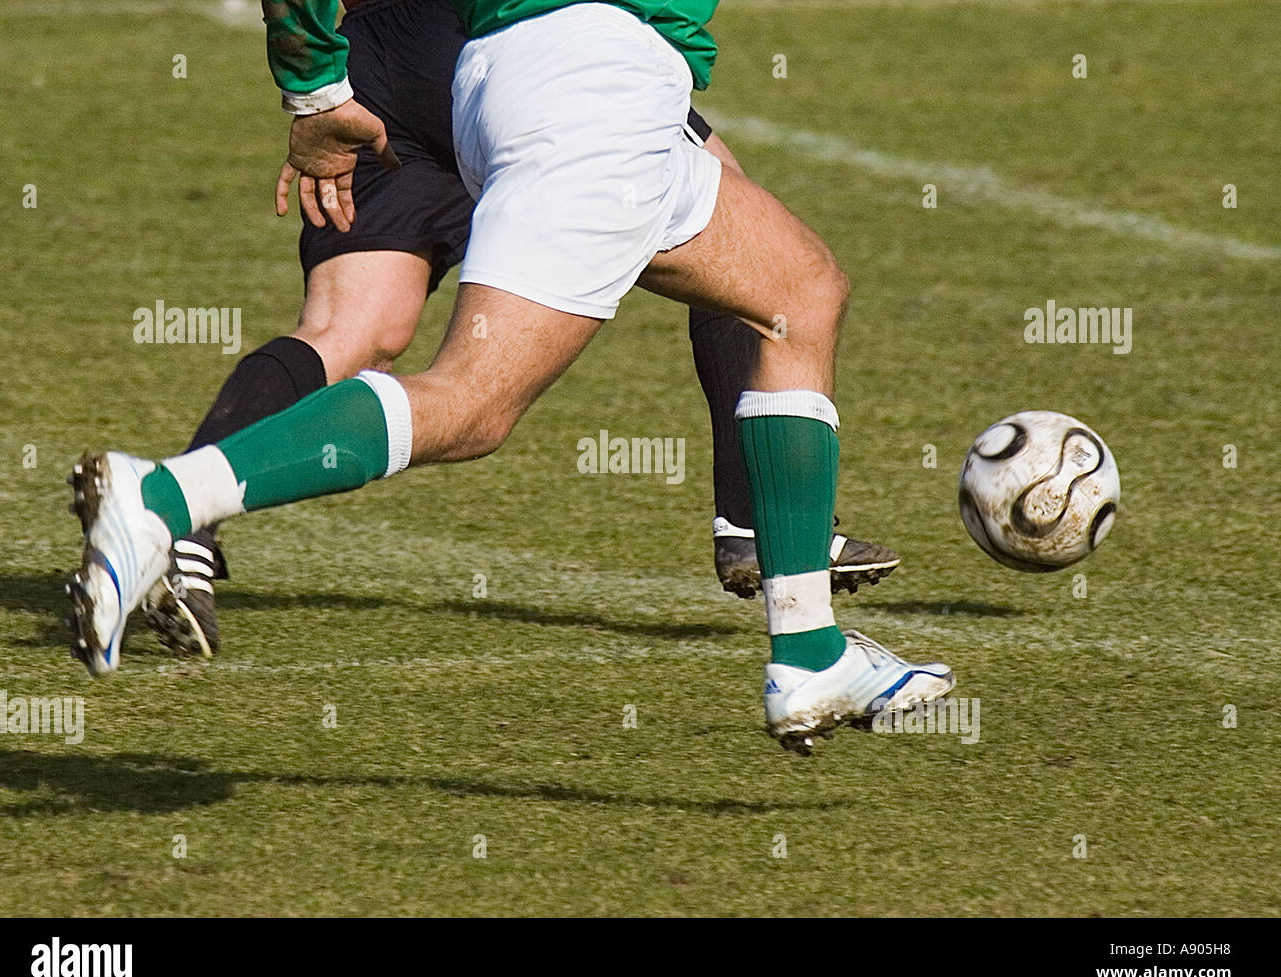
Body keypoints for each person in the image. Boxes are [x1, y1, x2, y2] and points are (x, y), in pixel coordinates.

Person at [68, 0, 953, 753]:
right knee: (471, 403)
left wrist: (312, 83)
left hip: (529, 76)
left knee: (800, 287)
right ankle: (166, 499)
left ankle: (807, 648)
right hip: (590, 81)